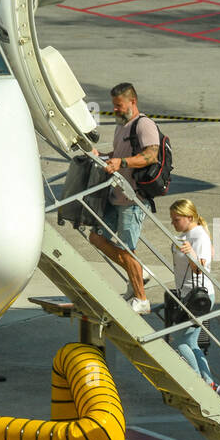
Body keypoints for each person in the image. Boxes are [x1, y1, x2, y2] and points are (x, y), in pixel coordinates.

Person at [88, 82, 160, 314]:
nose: (115, 110)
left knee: (128, 250)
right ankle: (140, 272)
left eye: (119, 105)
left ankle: (142, 299)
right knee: (96, 237)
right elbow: (119, 155)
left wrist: (123, 163)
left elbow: (151, 156)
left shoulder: (144, 124)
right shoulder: (122, 126)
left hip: (132, 199)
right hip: (115, 194)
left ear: (132, 102)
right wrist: (105, 156)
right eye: (114, 105)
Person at [167, 199, 216, 389]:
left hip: (199, 297)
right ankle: (209, 382)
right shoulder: (188, 234)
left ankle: (197, 381)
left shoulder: (199, 236)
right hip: (186, 295)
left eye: (176, 219)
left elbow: (200, 269)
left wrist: (192, 255)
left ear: (189, 217)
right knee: (192, 342)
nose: (173, 223)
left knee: (181, 342)